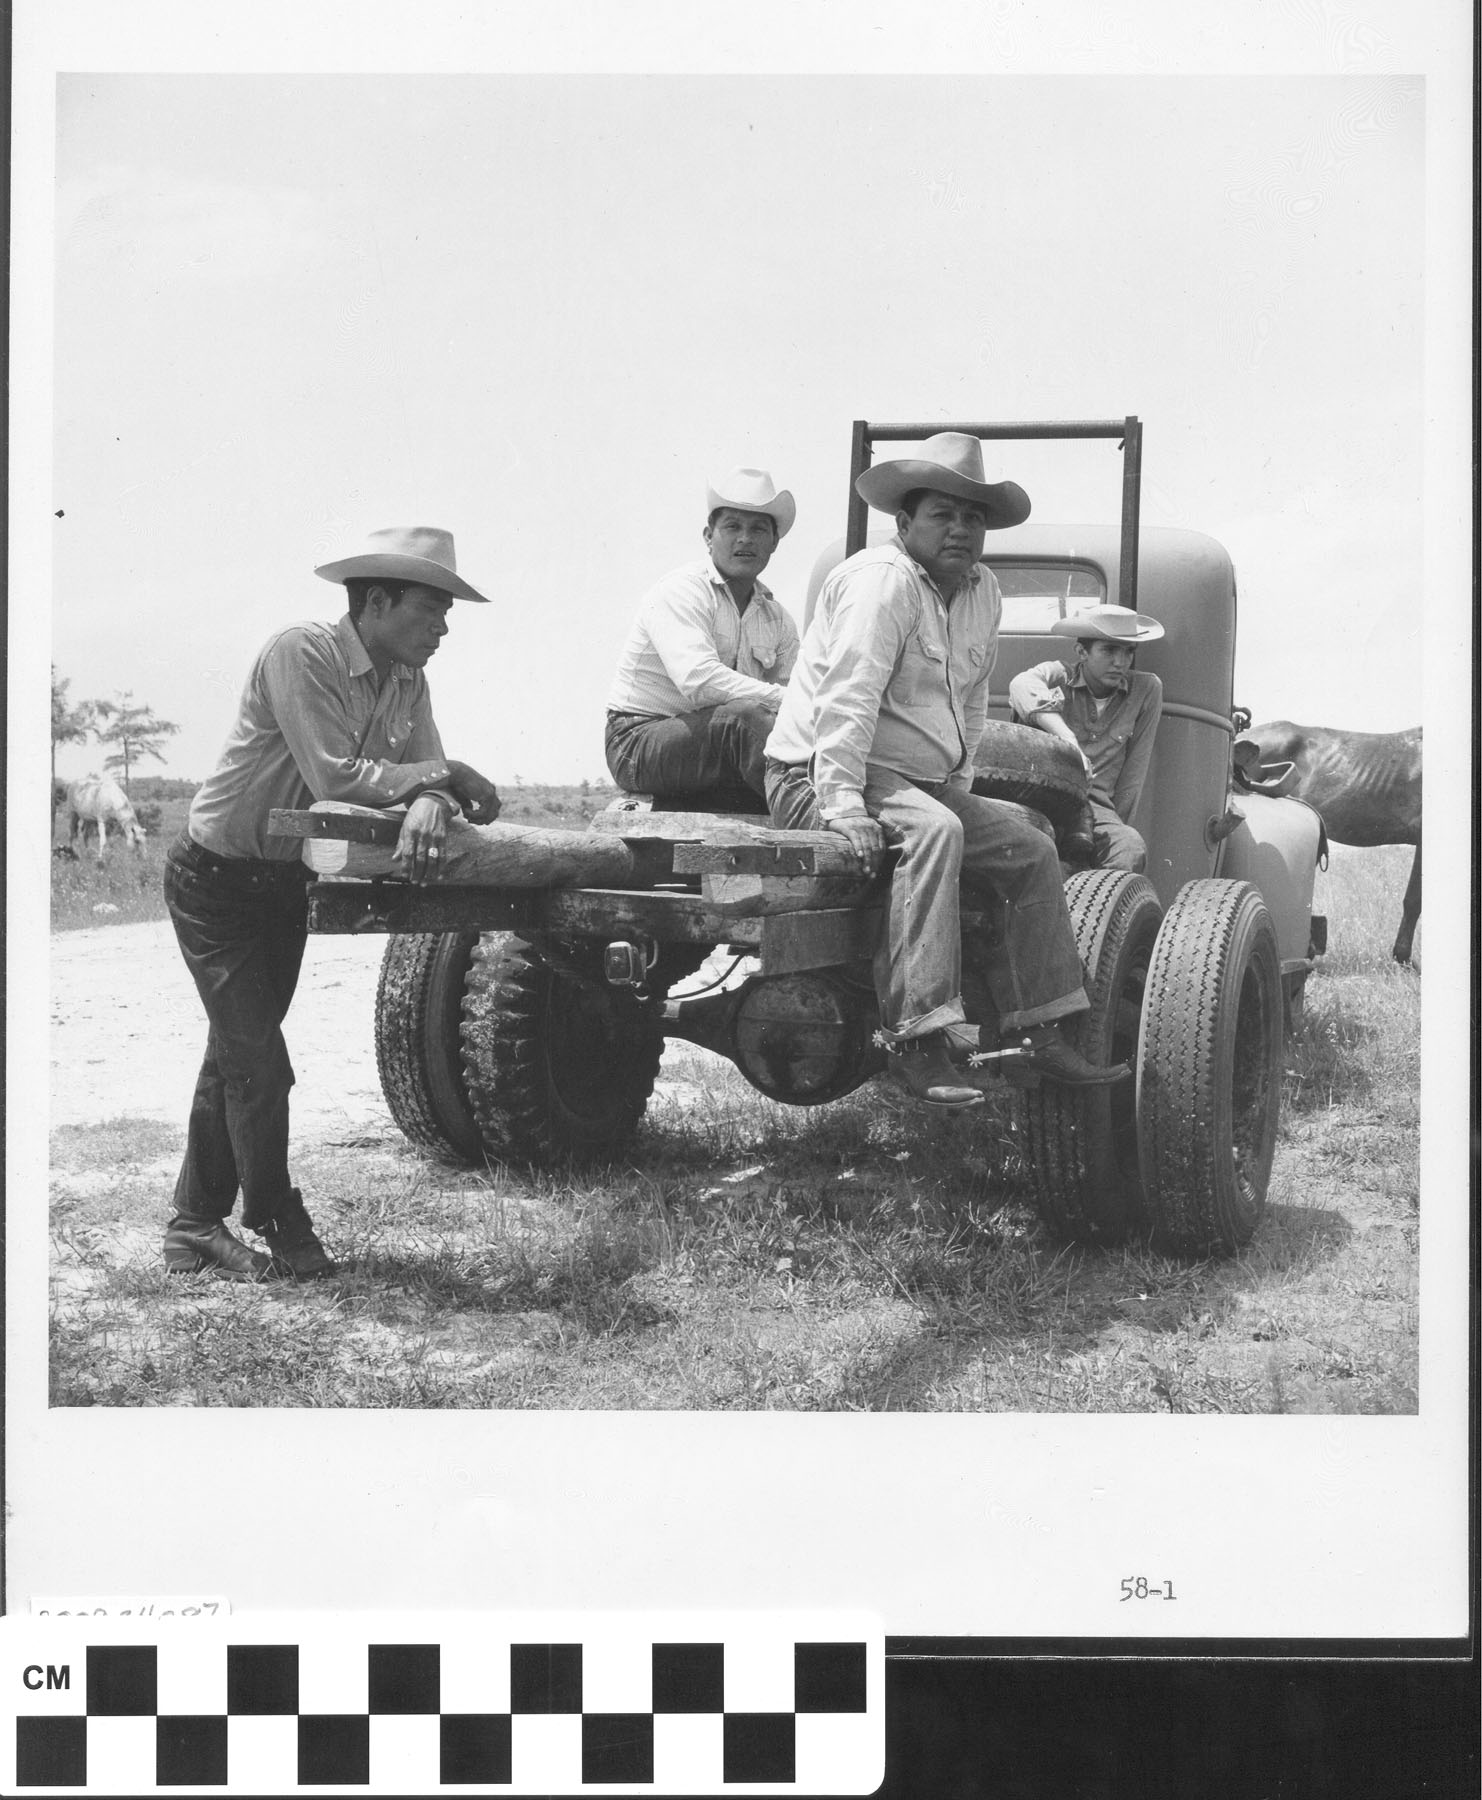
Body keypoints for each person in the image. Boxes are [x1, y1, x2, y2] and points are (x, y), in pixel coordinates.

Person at [161, 526, 502, 1281]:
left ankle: (191, 1226)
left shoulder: (408, 678)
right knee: (259, 1064)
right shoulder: (301, 652)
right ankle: (279, 1220)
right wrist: (442, 777)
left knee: (237, 1055)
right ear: (376, 602)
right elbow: (338, 778)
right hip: (215, 880)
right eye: (430, 611)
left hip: (284, 884)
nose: (442, 629)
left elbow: (424, 775)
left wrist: (432, 798)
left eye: (446, 614)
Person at [763, 432, 1129, 1109]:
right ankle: (917, 1040)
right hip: (816, 770)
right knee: (935, 833)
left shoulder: (982, 590)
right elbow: (847, 698)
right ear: (904, 523)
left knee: (1030, 847)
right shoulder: (882, 582)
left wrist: (959, 790)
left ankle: (1039, 1031)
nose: (960, 529)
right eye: (942, 514)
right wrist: (841, 805)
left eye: (972, 517)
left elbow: (971, 700)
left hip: (913, 781)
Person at [606, 468, 800, 806]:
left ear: (774, 542)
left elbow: (795, 694)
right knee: (745, 719)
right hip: (638, 741)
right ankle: (819, 818)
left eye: (758, 529)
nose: (745, 539)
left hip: (717, 747)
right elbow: (699, 681)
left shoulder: (778, 619)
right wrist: (789, 701)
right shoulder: (682, 590)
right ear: (709, 536)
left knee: (780, 728)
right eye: (732, 527)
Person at [1008, 606, 1164, 872]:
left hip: (1099, 812)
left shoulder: (1146, 690)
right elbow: (1020, 685)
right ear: (1082, 652)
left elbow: (1133, 777)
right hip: (1045, 803)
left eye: (1129, 651)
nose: (1120, 662)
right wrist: (1068, 738)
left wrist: (1116, 826)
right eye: (1109, 650)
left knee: (1129, 847)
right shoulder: (1058, 676)